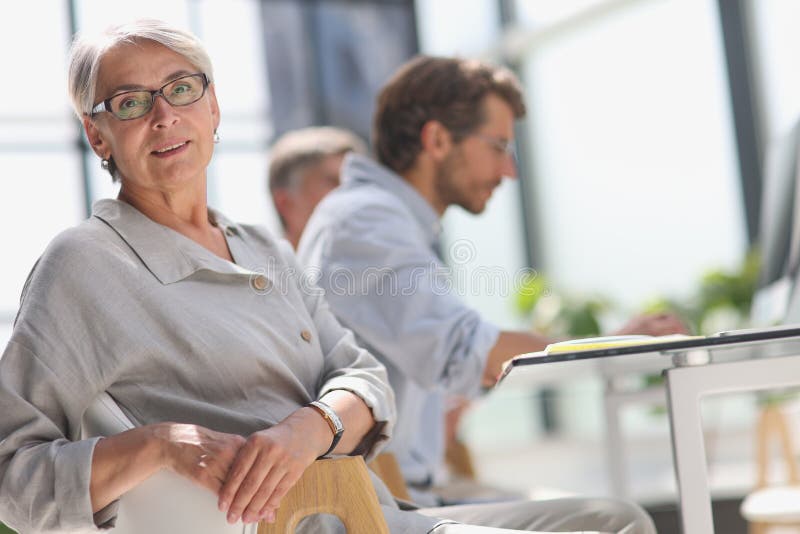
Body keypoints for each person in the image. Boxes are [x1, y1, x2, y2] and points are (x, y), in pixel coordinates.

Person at [0, 19, 655, 534]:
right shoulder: (84, 267)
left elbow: (366, 377)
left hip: (373, 509)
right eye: (130, 102)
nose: (164, 115)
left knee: (616, 520)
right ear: (98, 137)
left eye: (180, 89)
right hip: (302, 525)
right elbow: (13, 478)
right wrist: (159, 445)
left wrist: (310, 426)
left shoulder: (261, 248)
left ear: (213, 107)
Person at [297, 56, 686, 504]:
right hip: (387, 504)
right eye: (499, 147)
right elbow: (472, 353)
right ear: (438, 139)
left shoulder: (376, 218)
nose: (509, 172)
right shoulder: (367, 221)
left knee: (584, 509)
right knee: (617, 520)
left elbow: (442, 362)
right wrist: (612, 342)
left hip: (413, 487)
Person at [268, 126, 367, 248]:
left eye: (355, 181)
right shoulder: (254, 265)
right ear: (286, 204)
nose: (352, 192)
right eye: (334, 182)